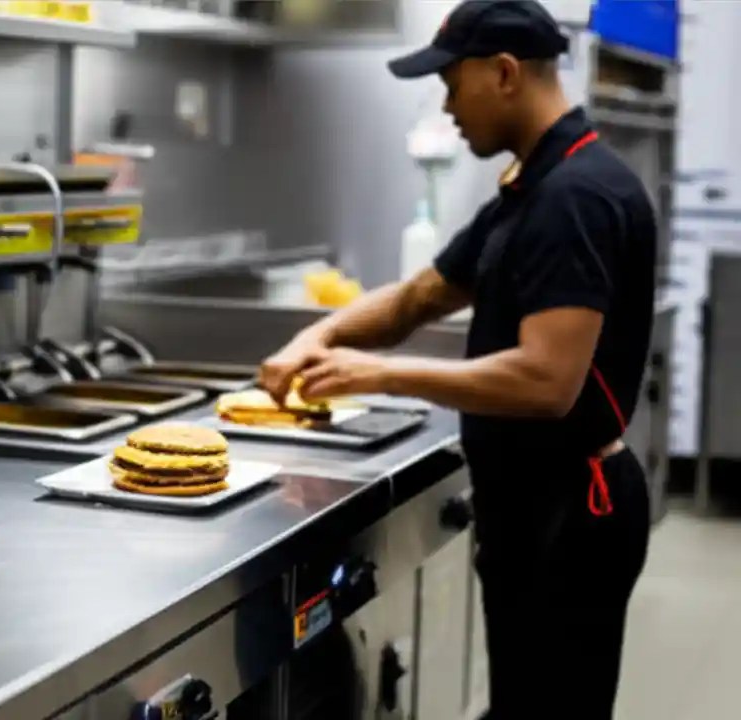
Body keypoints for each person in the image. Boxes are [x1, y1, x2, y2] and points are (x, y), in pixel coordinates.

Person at [258, 1, 655, 717]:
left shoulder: (577, 196)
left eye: (451, 83)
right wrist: (315, 341)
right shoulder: (531, 187)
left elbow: (546, 382)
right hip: (529, 506)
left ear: (504, 73)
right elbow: (419, 297)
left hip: (573, 514)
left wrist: (382, 375)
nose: (446, 105)